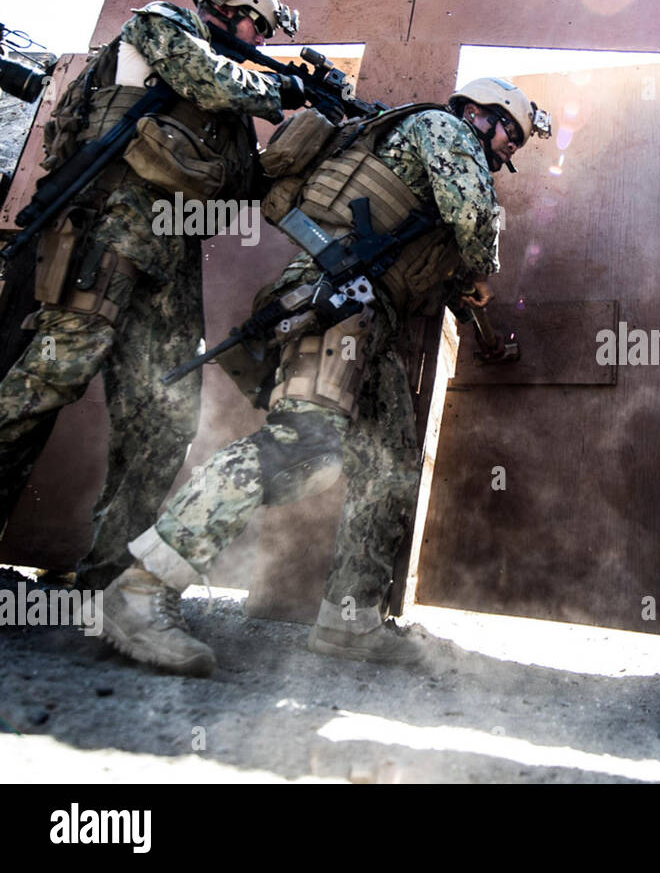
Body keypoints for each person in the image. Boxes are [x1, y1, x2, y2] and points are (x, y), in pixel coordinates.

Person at [98, 78, 551, 675]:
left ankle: (350, 618)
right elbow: (472, 218)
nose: (508, 148)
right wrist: (481, 263)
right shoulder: (445, 129)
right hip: (332, 302)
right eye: (506, 131)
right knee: (301, 445)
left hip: (369, 322)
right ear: (474, 111)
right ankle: (140, 588)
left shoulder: (435, 158)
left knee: (389, 468)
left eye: (517, 141)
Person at [0, 0, 303, 589]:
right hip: (103, 239)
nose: (261, 42)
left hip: (167, 266)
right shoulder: (161, 25)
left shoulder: (226, 109)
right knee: (40, 387)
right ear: (225, 5)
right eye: (258, 26)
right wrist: (284, 89)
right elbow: (213, 80)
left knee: (164, 420)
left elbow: (240, 188)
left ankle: (107, 578)